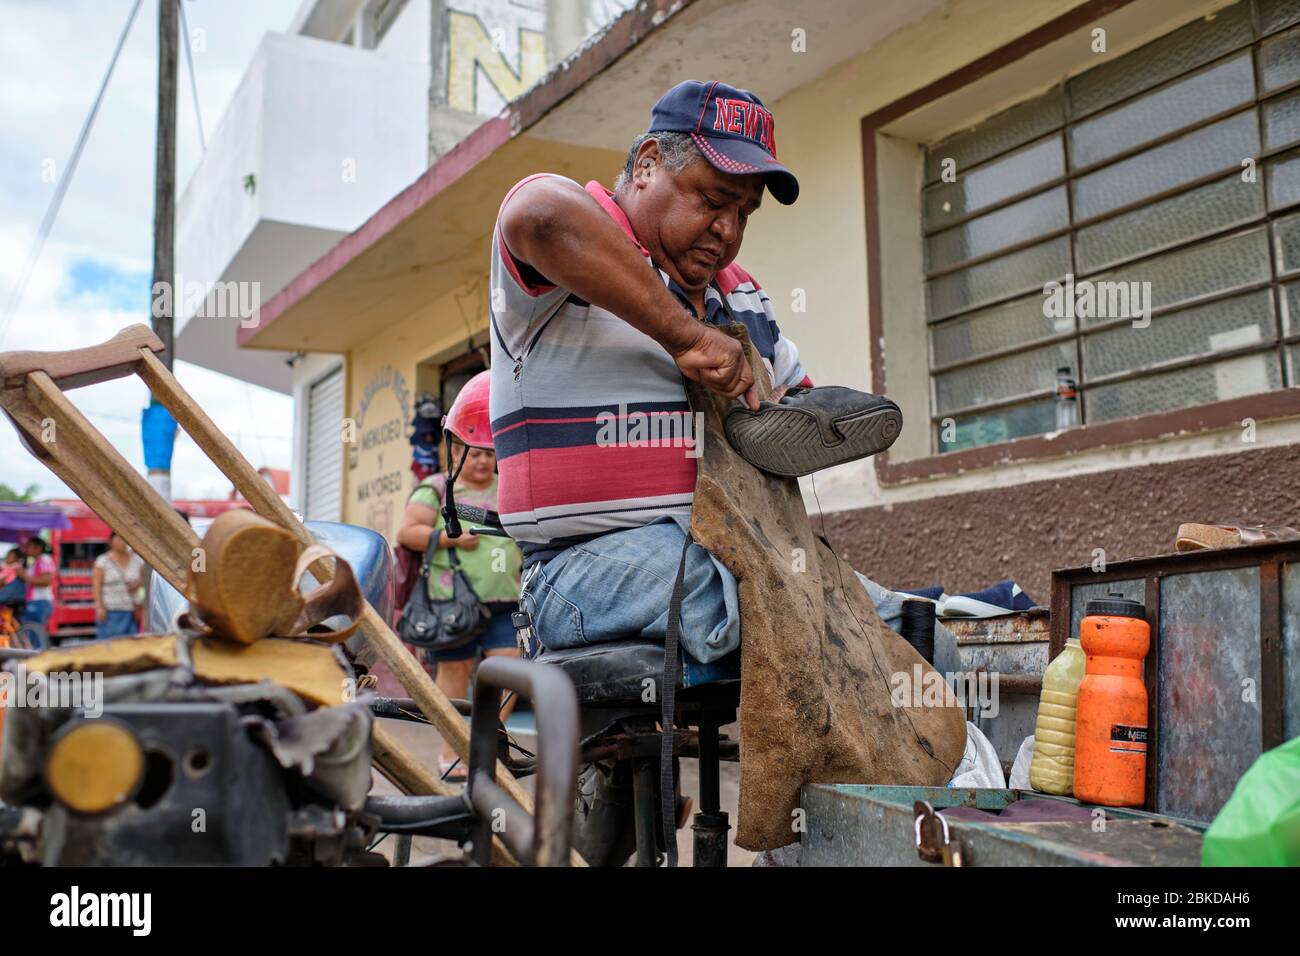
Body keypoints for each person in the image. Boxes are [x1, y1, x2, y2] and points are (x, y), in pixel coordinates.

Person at [489, 79, 827, 662]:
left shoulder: (744, 295)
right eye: (713, 201)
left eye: (744, 213)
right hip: (575, 568)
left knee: (904, 628)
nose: (728, 230)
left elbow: (799, 409)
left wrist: (820, 424)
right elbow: (538, 213)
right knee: (754, 599)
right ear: (647, 164)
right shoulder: (568, 260)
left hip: (729, 552)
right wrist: (685, 335)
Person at [396, 371, 523, 780]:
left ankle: (486, 744)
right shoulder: (436, 488)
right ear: (455, 451)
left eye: (489, 453)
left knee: (510, 670)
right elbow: (408, 533)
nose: (483, 460)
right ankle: (451, 750)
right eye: (474, 452)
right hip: (452, 600)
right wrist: (450, 539)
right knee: (455, 674)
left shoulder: (509, 486)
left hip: (504, 599)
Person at [92, 531, 144, 640]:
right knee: (109, 645)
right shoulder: (102, 561)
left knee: (131, 644)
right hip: (110, 611)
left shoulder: (138, 561)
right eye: (119, 539)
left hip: (131, 611)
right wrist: (100, 607)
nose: (123, 542)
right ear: (111, 542)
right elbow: (96, 586)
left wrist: (139, 604)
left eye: (125, 539)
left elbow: (144, 584)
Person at [17, 537, 55, 628]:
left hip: (39, 602)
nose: (26, 549)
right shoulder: (37, 561)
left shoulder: (44, 559)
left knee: (32, 632)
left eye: (29, 546)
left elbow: (46, 581)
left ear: (38, 548)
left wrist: (23, 576)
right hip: (36, 602)